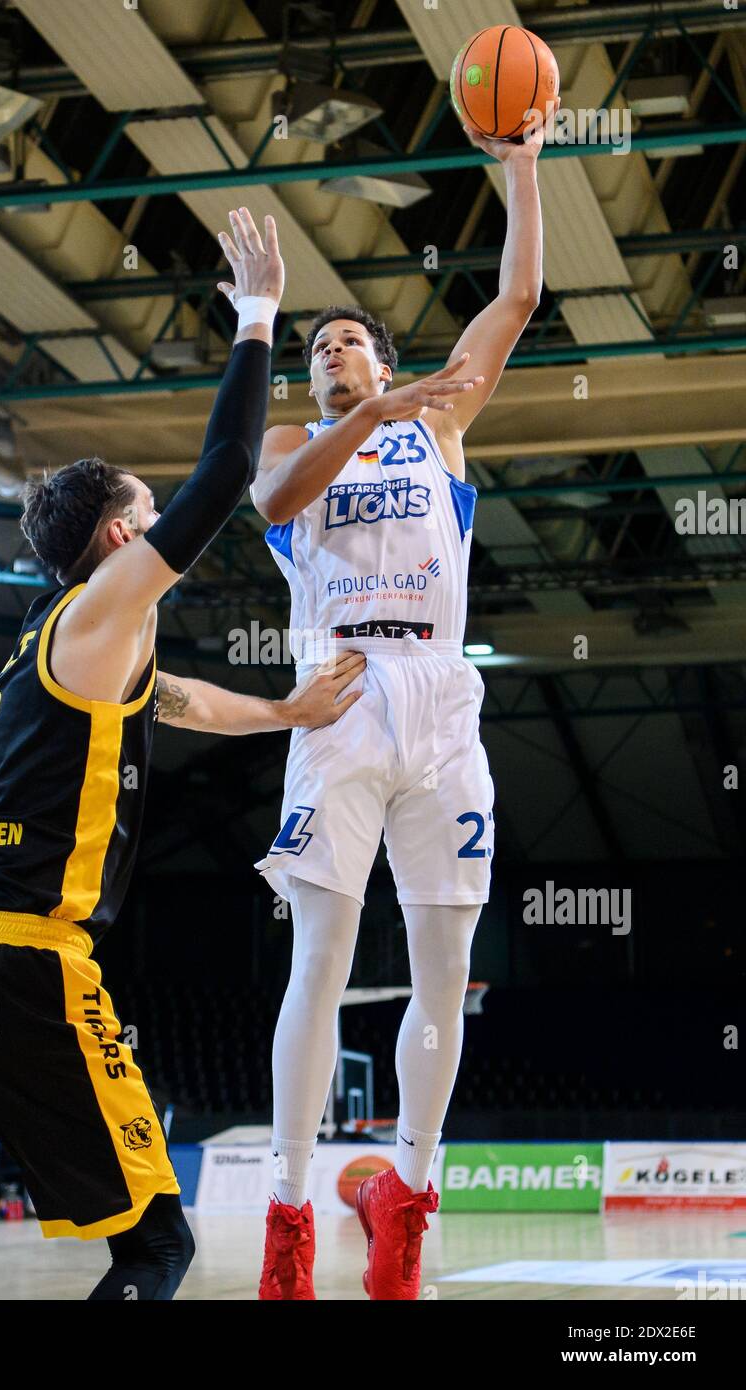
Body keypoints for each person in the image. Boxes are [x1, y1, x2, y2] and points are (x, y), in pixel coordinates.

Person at [0, 207, 364, 1302]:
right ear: (119, 540)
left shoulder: (56, 652)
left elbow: (179, 702)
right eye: (145, 512)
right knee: (158, 1250)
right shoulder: (104, 606)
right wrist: (257, 313)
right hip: (24, 971)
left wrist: (287, 712)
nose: (163, 522)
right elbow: (224, 471)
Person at [252, 117, 551, 1300]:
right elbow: (272, 491)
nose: (330, 351)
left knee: (444, 972)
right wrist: (363, 418)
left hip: (442, 694)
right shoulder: (301, 439)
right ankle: (285, 1213)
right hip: (340, 695)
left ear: (383, 358)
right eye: (317, 345)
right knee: (319, 965)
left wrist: (520, 167)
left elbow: (518, 296)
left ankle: (407, 1200)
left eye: (349, 343)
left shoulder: (438, 425)